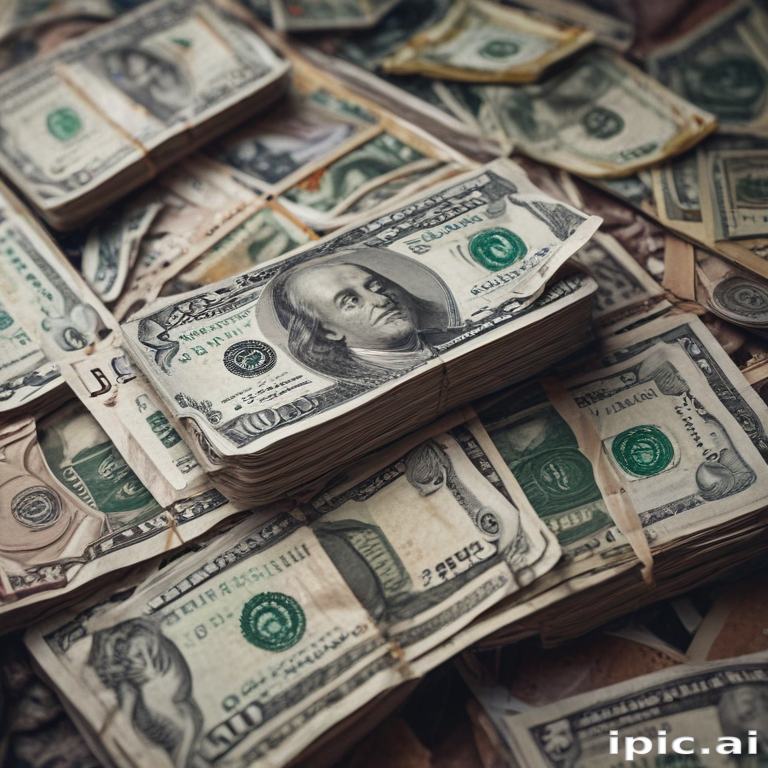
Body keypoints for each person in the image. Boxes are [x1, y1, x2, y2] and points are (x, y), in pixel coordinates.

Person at [271, 254, 455, 385]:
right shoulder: (355, 383)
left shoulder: (451, 335)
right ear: (328, 331)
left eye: (375, 286)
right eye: (351, 301)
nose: (381, 300)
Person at [101, 47, 191, 123]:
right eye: (130, 64)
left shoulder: (158, 66)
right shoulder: (140, 83)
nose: (134, 63)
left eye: (136, 59)